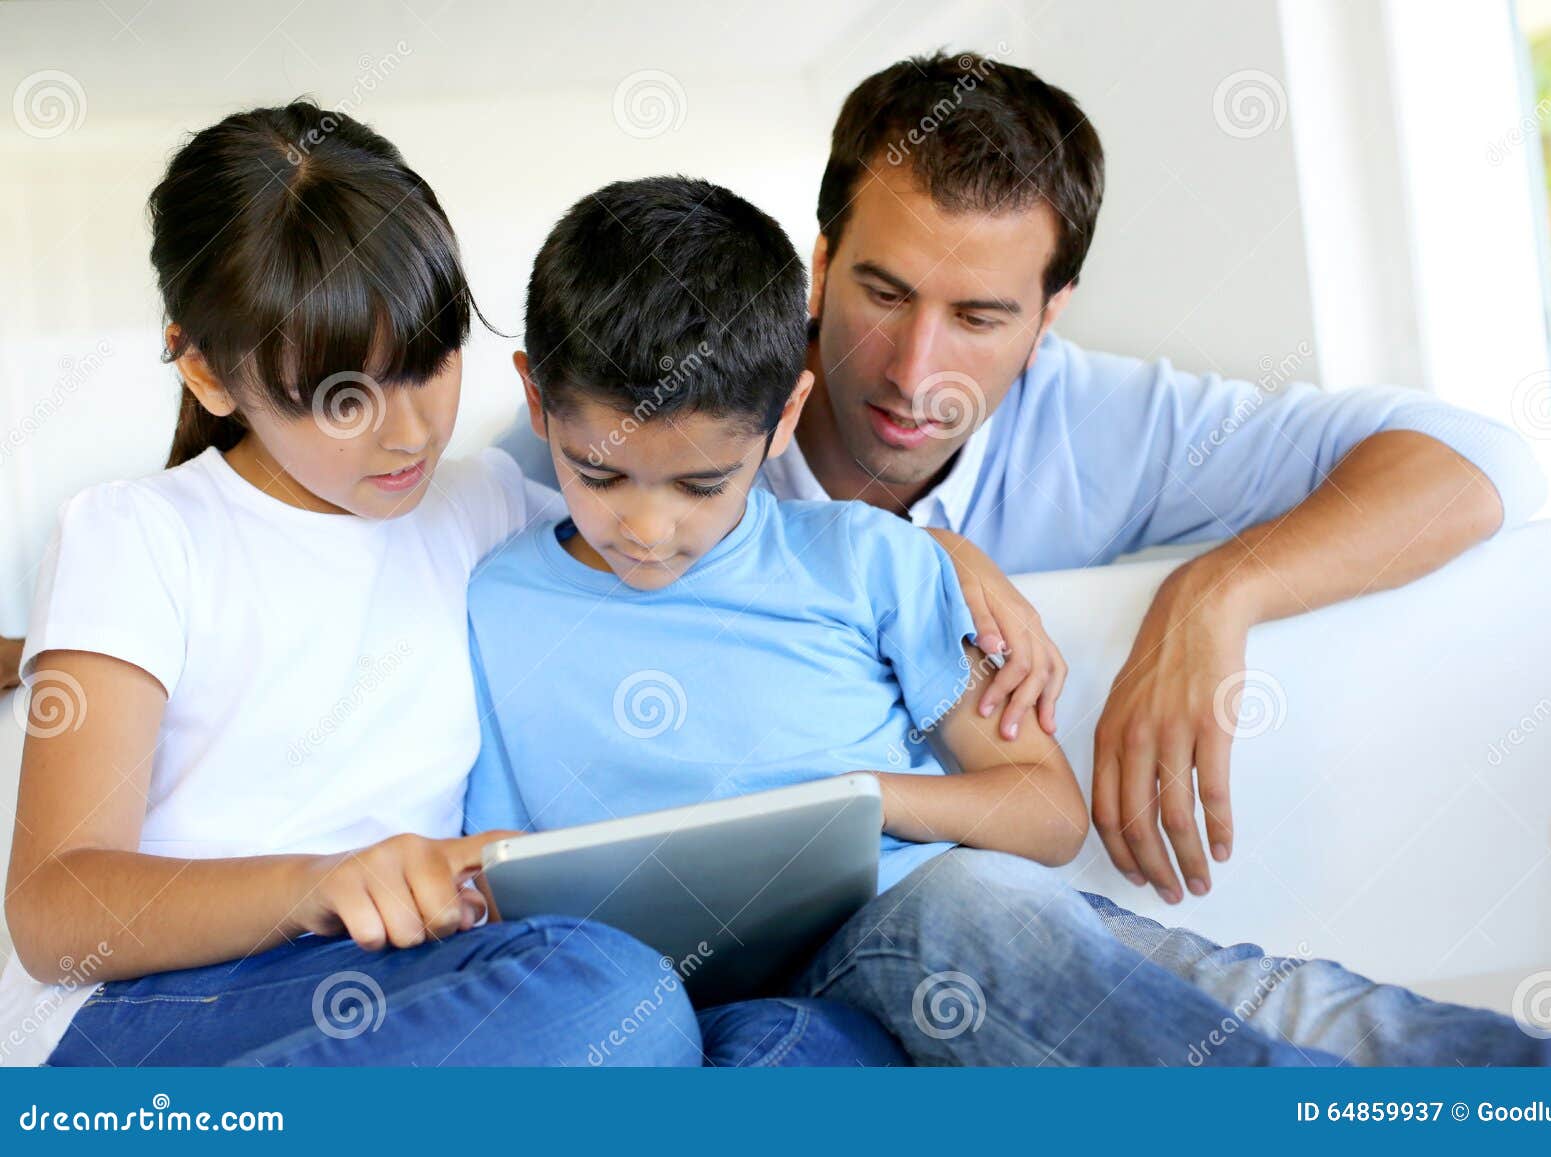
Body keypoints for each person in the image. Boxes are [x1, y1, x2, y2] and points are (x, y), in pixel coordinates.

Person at [466, 173, 1551, 1066]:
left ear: (785, 414)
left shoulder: (870, 561)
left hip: (927, 916)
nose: (648, 529)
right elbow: (496, 881)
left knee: (1260, 997)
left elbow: (1046, 813)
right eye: (599, 475)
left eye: (702, 485)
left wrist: (843, 810)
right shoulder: (487, 594)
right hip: (702, 1000)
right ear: (535, 404)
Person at [496, 53, 1549, 906]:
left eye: (980, 317)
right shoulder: (659, 411)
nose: (914, 373)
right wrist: (924, 553)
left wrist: (1214, 594)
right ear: (819, 265)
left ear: (1049, 315)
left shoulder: (1108, 423)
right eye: (882, 293)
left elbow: (1479, 464)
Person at [0, 103, 904, 1069]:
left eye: (429, 363)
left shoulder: (483, 507)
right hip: (151, 1016)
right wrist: (320, 884)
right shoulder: (137, 533)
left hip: (420, 988)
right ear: (208, 371)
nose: (407, 433)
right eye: (341, 396)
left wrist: (946, 558)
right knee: (606, 997)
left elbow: (662, 494)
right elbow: (56, 910)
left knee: (819, 1039)